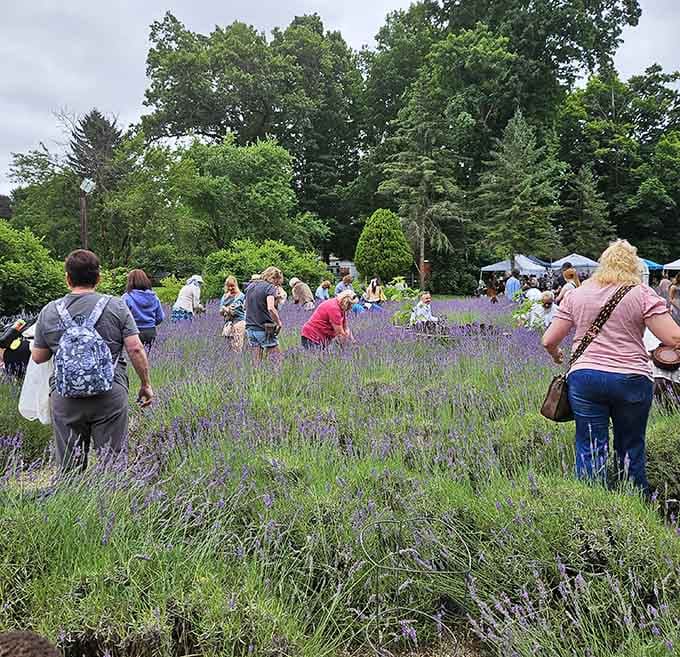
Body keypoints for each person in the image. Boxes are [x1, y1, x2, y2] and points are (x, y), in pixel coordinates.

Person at [542, 240, 680, 495]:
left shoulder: (576, 294)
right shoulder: (641, 294)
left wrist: (556, 354)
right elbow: (674, 338)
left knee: (590, 447)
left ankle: (593, 510)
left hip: (586, 379)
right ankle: (635, 504)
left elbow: (549, 339)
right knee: (631, 447)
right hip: (632, 378)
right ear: (634, 265)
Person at [31, 250, 153, 472]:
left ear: (68, 278)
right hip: (109, 393)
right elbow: (135, 348)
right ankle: (111, 504)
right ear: (98, 278)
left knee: (69, 468)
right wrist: (145, 384)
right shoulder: (116, 306)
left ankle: (72, 500)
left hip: (65, 395)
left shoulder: (49, 311)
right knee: (113, 465)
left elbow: (39, 357)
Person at [245, 266, 284, 361]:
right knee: (277, 361)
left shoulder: (251, 286)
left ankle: (256, 376)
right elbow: (270, 308)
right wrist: (278, 322)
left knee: (256, 363)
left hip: (250, 328)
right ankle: (277, 376)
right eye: (277, 283)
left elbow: (246, 306)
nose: (277, 286)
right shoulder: (269, 287)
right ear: (274, 278)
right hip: (263, 329)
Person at [122, 269, 164, 350]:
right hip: (150, 332)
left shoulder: (126, 297)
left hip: (132, 332)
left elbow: (122, 317)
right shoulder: (154, 297)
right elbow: (160, 317)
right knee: (149, 358)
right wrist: (150, 323)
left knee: (133, 359)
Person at [220, 276, 246, 352]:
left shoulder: (240, 296)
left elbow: (233, 311)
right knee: (227, 345)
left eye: (232, 286)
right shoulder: (225, 296)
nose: (230, 288)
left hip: (239, 322)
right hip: (228, 323)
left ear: (236, 285)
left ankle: (237, 361)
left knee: (237, 345)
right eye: (228, 286)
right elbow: (221, 311)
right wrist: (225, 309)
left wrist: (225, 309)